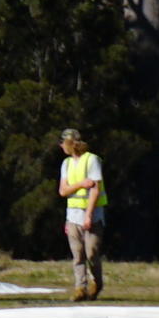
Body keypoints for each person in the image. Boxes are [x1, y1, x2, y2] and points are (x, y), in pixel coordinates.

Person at [58, 127, 107, 301]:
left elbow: (95, 189)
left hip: (92, 215)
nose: (61, 146)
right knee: (77, 254)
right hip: (72, 216)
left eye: (63, 142)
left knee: (91, 252)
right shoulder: (67, 164)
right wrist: (80, 184)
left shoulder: (91, 160)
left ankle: (97, 282)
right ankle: (80, 287)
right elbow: (63, 191)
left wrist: (89, 215)